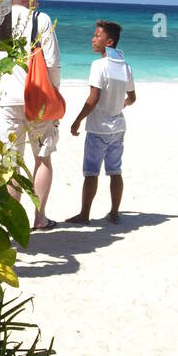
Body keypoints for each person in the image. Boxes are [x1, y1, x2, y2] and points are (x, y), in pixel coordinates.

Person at [0, 0, 62, 230]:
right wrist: (55, 93)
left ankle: (11, 223)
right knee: (42, 158)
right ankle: (40, 218)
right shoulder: (40, 19)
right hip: (37, 100)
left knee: (10, 163)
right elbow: (52, 64)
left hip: (4, 100)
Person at [68, 19, 136, 224]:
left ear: (109, 42)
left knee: (91, 173)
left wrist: (77, 121)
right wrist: (118, 104)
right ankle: (114, 213)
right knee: (115, 172)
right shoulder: (125, 67)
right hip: (118, 128)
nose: (93, 39)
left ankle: (84, 215)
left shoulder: (98, 65)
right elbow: (132, 98)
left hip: (98, 129)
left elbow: (93, 99)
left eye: (98, 36)